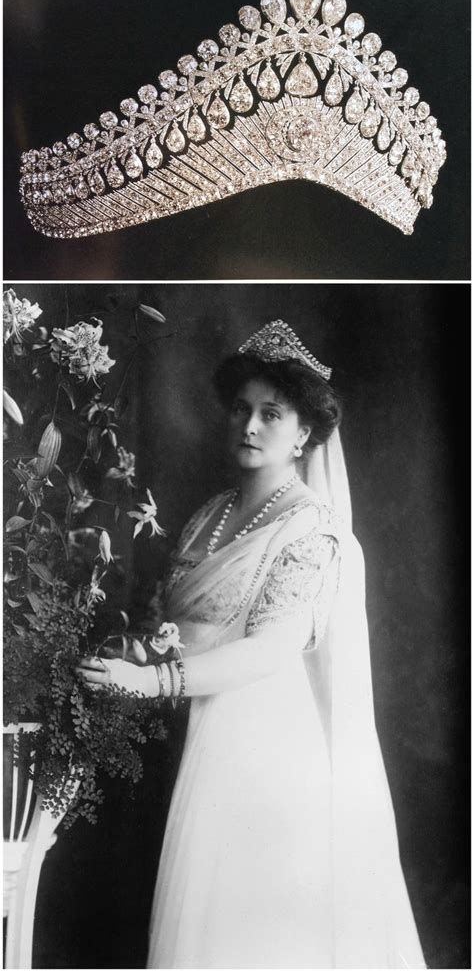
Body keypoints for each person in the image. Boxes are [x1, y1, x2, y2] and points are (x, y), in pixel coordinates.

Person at [79, 320, 426, 969]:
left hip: (269, 751)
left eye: (272, 413)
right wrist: (139, 653)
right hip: (206, 732)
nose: (251, 425)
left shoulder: (313, 531)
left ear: (306, 433)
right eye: (241, 409)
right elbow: (176, 620)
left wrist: (152, 680)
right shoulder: (211, 513)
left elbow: (273, 646)